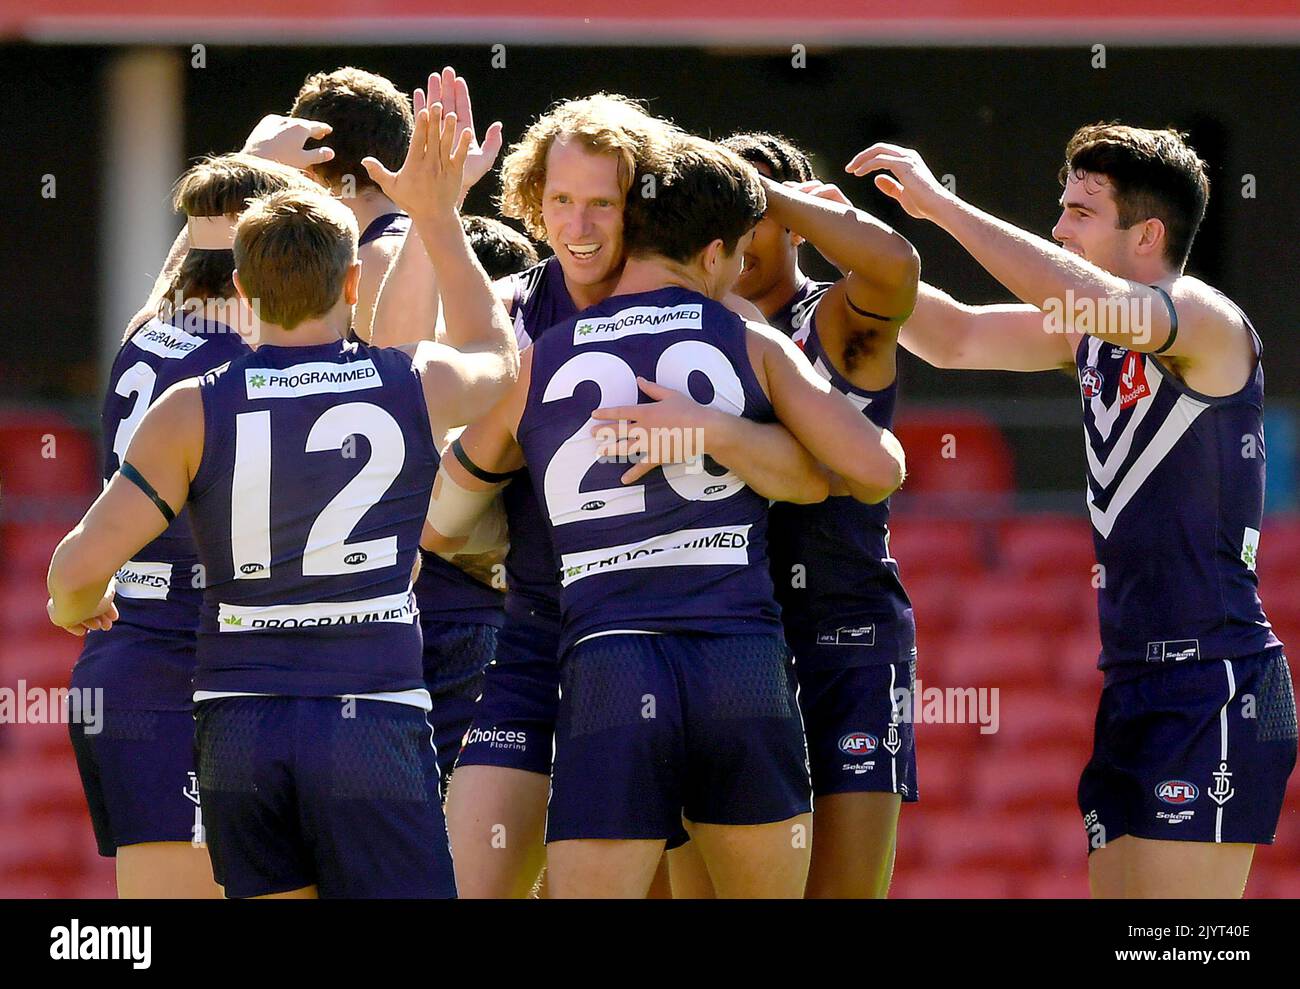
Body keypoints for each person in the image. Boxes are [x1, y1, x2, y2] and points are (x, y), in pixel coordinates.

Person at [48, 102, 517, 897]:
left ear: (241, 278)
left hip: (226, 706)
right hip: (362, 705)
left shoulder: (181, 381)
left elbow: (72, 569)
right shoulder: (403, 377)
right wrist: (437, 218)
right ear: (353, 279)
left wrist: (76, 606)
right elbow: (492, 356)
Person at [424, 135, 906, 897]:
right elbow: (875, 470)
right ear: (715, 251)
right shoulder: (744, 333)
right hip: (739, 660)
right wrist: (722, 433)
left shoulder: (542, 356)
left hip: (607, 663)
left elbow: (442, 516)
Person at [853, 122, 1297, 898]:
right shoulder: (1092, 334)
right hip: (1131, 682)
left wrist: (942, 207)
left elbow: (1085, 295)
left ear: (1147, 232)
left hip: (1215, 681)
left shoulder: (1200, 316)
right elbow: (953, 336)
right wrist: (839, 244)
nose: (1058, 228)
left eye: (1080, 212)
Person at [65, 143, 319, 899]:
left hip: (125, 664)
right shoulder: (244, 366)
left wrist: (238, 172)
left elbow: (187, 270)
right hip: (190, 664)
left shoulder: (146, 333)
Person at [722, 131, 921, 898]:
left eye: (758, 207)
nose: (741, 226)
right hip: (724, 633)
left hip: (848, 631)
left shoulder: (834, 316)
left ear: (798, 218)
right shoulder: (684, 321)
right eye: (726, 205)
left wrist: (753, 188)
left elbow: (895, 265)